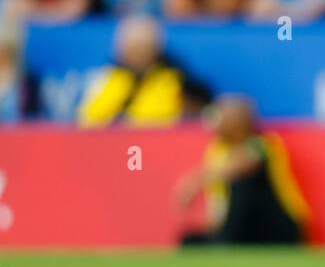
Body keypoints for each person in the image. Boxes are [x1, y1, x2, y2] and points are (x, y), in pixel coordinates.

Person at [175, 96, 309, 246]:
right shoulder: (218, 151)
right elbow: (219, 202)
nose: (214, 121)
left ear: (238, 121)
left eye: (220, 115)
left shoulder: (264, 144)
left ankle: (227, 240)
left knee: (243, 185)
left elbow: (243, 164)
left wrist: (197, 181)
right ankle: (225, 241)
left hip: (279, 227)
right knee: (189, 240)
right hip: (243, 231)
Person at [76, 15, 211, 127]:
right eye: (133, 47)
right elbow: (88, 119)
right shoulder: (110, 77)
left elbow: (169, 119)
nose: (137, 53)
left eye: (142, 46)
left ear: (155, 49)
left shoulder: (174, 78)